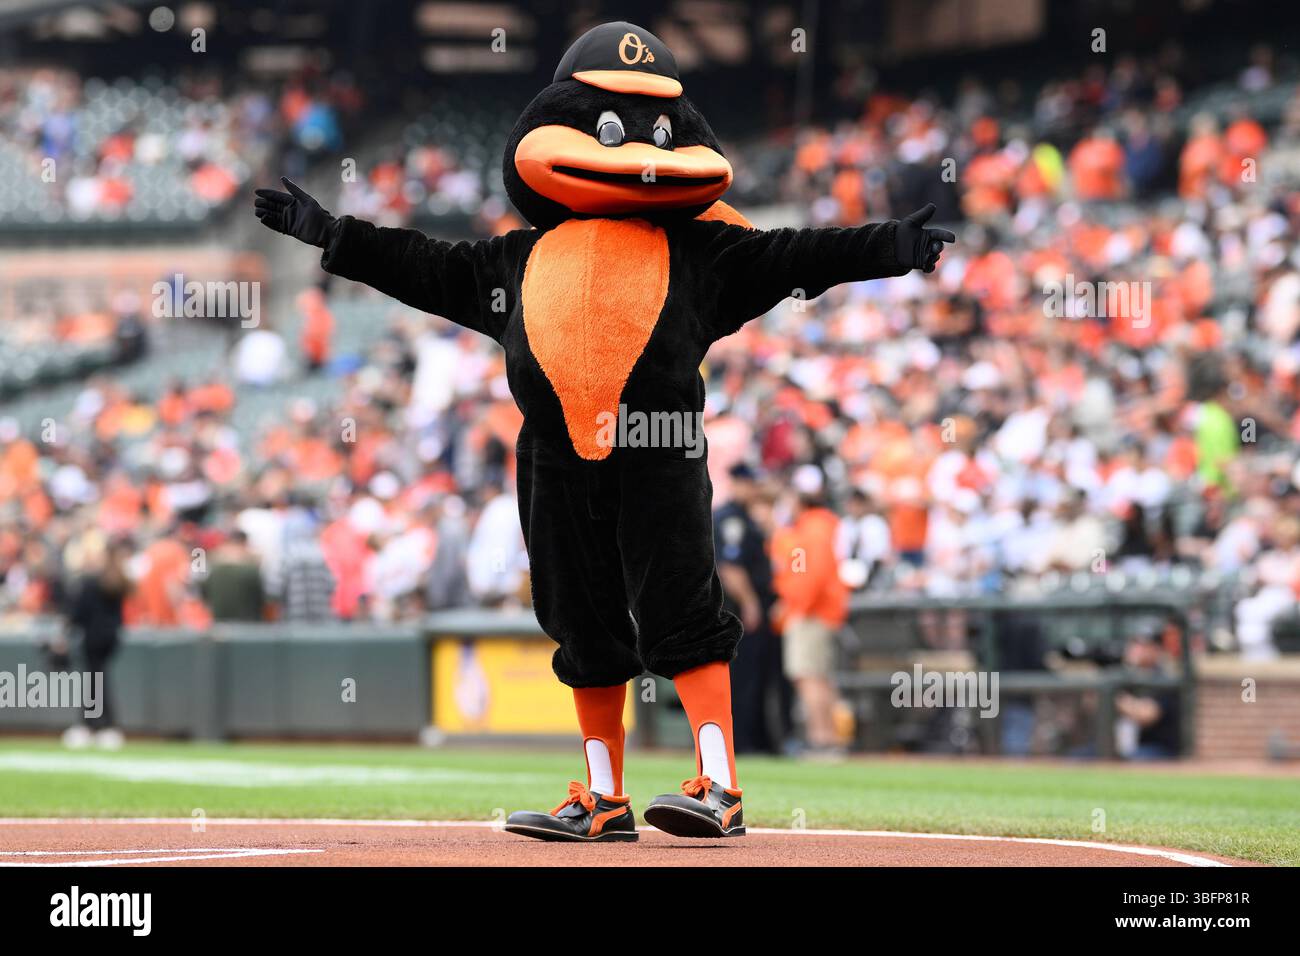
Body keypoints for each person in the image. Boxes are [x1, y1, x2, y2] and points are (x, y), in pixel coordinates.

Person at [254, 20, 954, 841]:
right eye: (613, 129)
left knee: (680, 608)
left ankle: (719, 785)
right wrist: (332, 235)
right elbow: (420, 263)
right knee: (579, 618)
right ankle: (602, 794)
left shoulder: (703, 254)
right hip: (552, 453)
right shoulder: (514, 263)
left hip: (659, 441)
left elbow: (798, 255)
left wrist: (892, 244)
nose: (637, 152)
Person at [772, 470, 850, 755]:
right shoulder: (817, 525)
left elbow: (811, 575)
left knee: (810, 677)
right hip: (818, 611)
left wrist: (796, 608)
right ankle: (826, 738)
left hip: (812, 613)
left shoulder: (814, 528)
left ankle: (822, 740)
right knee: (817, 676)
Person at [713, 464, 778, 754]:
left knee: (753, 676)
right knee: (741, 677)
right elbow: (730, 568)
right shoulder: (731, 519)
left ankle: (753, 738)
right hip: (737, 609)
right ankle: (740, 741)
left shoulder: (747, 518)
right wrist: (751, 602)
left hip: (747, 608)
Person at [62, 538, 132, 750]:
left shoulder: (91, 582)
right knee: (98, 680)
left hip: (93, 638)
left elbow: (77, 613)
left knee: (95, 681)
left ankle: (97, 725)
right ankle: (99, 725)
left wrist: (66, 630)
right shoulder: (118, 579)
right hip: (111, 638)